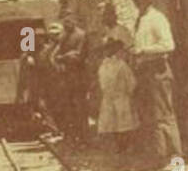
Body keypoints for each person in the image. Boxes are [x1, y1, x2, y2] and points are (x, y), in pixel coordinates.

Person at [129, 0, 182, 169]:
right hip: (145, 72)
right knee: (152, 117)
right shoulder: (140, 20)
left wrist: (144, 51)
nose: (138, 2)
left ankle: (176, 160)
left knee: (165, 116)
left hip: (158, 70)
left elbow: (168, 45)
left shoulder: (157, 18)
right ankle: (161, 158)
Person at [95, 34, 138, 162]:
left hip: (108, 98)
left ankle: (119, 149)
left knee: (113, 124)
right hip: (122, 98)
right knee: (124, 125)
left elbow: (102, 84)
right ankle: (127, 149)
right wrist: (130, 93)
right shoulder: (121, 65)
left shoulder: (103, 66)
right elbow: (132, 83)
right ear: (118, 51)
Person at [54, 10, 90, 143]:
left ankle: (84, 137)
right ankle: (72, 136)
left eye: (68, 21)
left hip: (79, 76)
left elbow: (77, 55)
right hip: (67, 76)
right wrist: (61, 57)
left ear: (73, 21)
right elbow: (58, 53)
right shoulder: (64, 36)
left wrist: (63, 57)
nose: (66, 24)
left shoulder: (81, 35)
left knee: (80, 107)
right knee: (68, 107)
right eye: (64, 22)